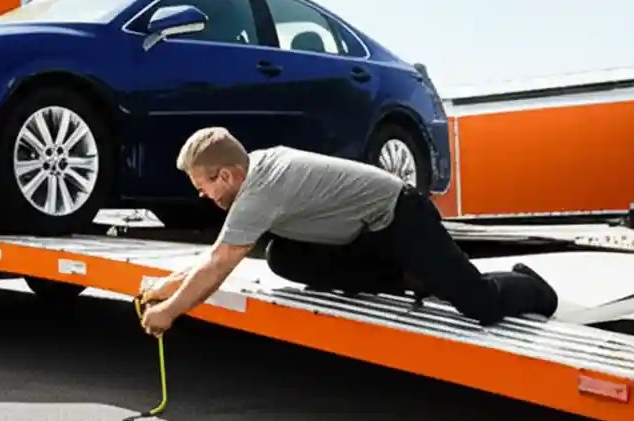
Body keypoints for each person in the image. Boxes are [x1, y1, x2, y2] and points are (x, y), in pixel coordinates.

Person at [138, 127, 558, 336]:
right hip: (363, 231)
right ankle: (410, 278)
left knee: (478, 304)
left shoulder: (261, 190)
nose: (203, 196)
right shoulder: (255, 170)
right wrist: (165, 287)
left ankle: (530, 285)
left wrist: (169, 312)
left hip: (402, 216)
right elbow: (219, 254)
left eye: (204, 187)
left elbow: (218, 264)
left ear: (226, 175)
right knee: (284, 256)